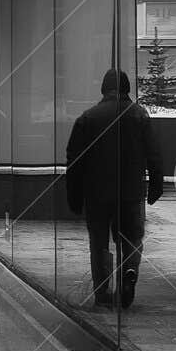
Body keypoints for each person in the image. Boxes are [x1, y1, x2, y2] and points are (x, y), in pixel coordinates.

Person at [65, 68, 163, 310]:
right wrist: (156, 187)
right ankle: (129, 271)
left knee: (99, 242)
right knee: (131, 238)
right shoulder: (139, 115)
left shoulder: (88, 118)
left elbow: (75, 161)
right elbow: (154, 154)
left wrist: (74, 195)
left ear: (103, 89)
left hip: (97, 194)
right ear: (127, 88)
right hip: (131, 193)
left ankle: (103, 291)